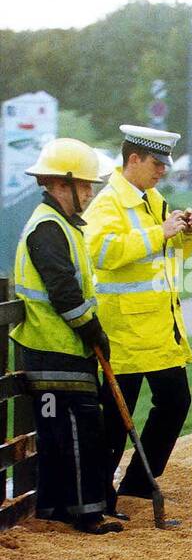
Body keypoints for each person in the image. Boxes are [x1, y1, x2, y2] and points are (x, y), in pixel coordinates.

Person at [83, 126, 192, 518]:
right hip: (124, 332)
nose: (162, 170)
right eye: (156, 163)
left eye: (165, 163)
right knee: (115, 419)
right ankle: (99, 497)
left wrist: (188, 232)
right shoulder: (107, 203)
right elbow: (101, 253)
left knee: (175, 402)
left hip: (158, 330)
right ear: (133, 159)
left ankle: (136, 485)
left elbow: (170, 255)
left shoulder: (153, 199)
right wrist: (158, 233)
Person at [9, 138, 121, 533]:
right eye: (85, 185)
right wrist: (93, 331)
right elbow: (64, 292)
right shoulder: (49, 229)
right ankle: (86, 513)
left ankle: (55, 507)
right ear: (61, 184)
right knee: (78, 429)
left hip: (56, 350)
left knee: (56, 431)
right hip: (56, 352)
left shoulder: (60, 226)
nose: (90, 193)